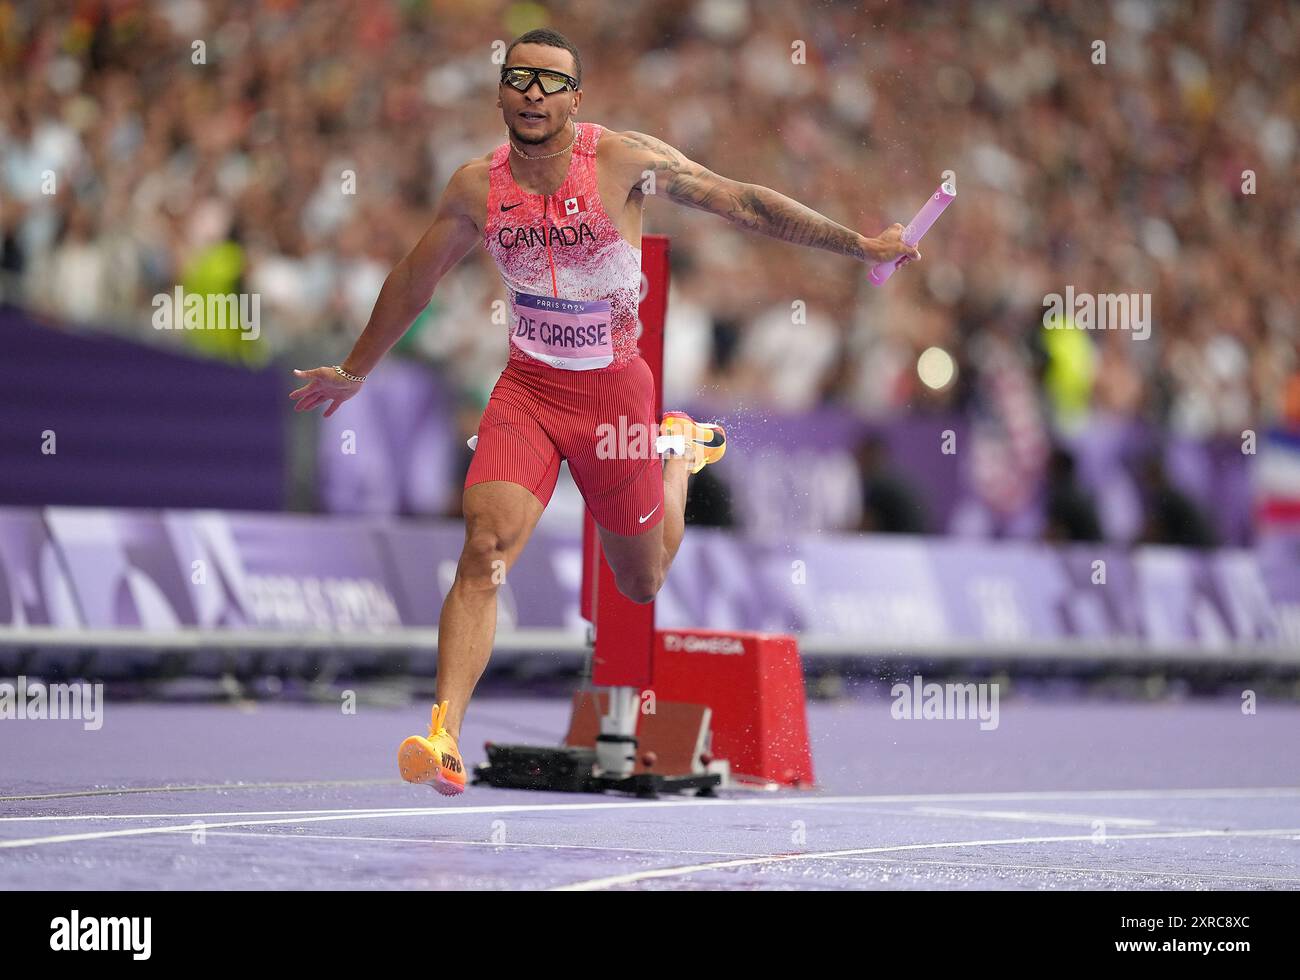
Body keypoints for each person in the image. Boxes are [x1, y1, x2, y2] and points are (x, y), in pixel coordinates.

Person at [289, 28, 920, 795]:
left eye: (551, 82)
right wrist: (356, 369)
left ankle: (679, 455)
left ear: (576, 99)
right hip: (528, 388)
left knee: (641, 581)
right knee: (485, 548)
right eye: (518, 78)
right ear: (499, 93)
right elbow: (414, 280)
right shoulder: (473, 187)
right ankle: (443, 733)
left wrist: (859, 245)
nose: (532, 93)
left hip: (615, 394)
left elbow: (743, 201)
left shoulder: (623, 160)